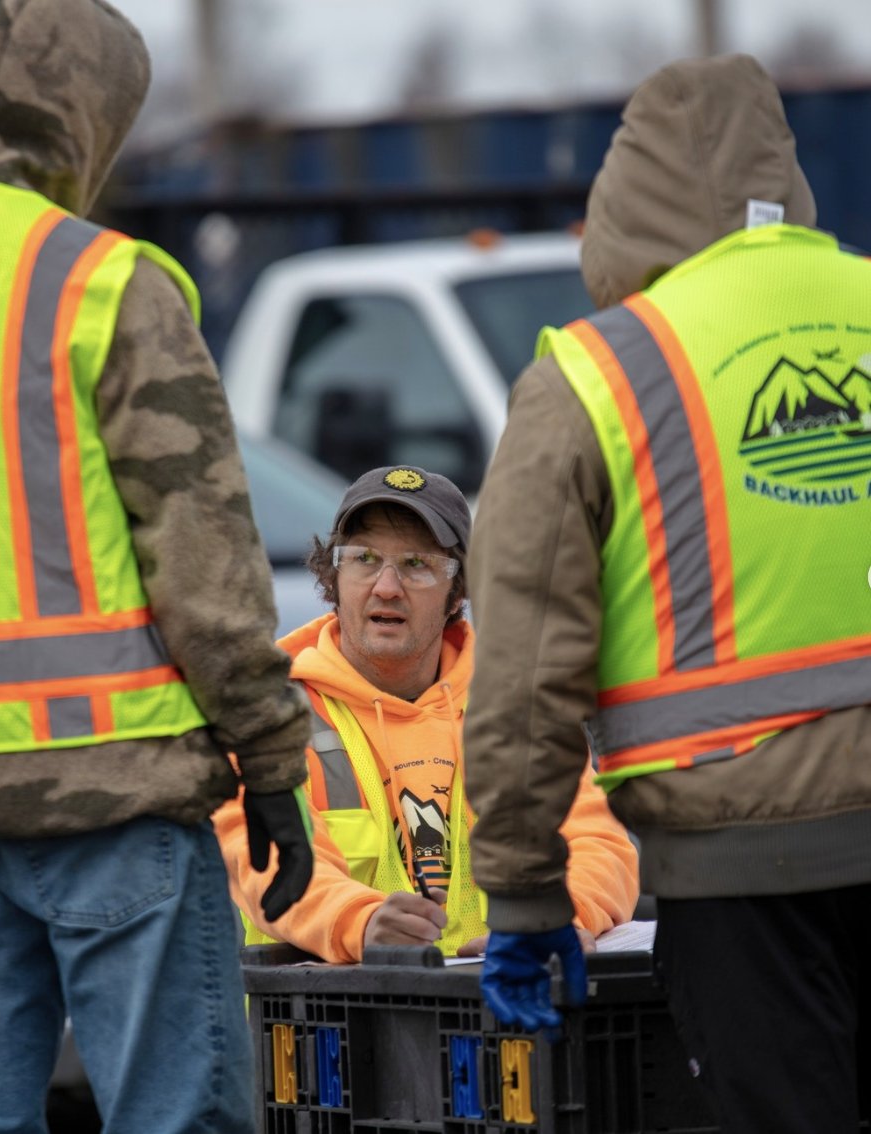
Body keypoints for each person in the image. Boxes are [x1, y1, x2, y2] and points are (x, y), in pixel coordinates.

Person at [0, 2, 314, 1131]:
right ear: (82, 112)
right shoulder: (101, 283)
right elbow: (202, 556)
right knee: (175, 1115)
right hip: (110, 792)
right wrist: (269, 758)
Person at [463, 52, 871, 1133]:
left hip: (740, 878)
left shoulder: (592, 377)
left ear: (623, 206)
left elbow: (519, 670)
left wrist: (520, 892)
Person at [215, 464, 638, 962]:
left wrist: (563, 919)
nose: (387, 586)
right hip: (325, 1026)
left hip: (498, 1018)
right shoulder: (266, 718)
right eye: (365, 558)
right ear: (334, 574)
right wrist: (363, 921)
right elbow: (264, 865)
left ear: (457, 591)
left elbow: (597, 845)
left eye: (417, 564)